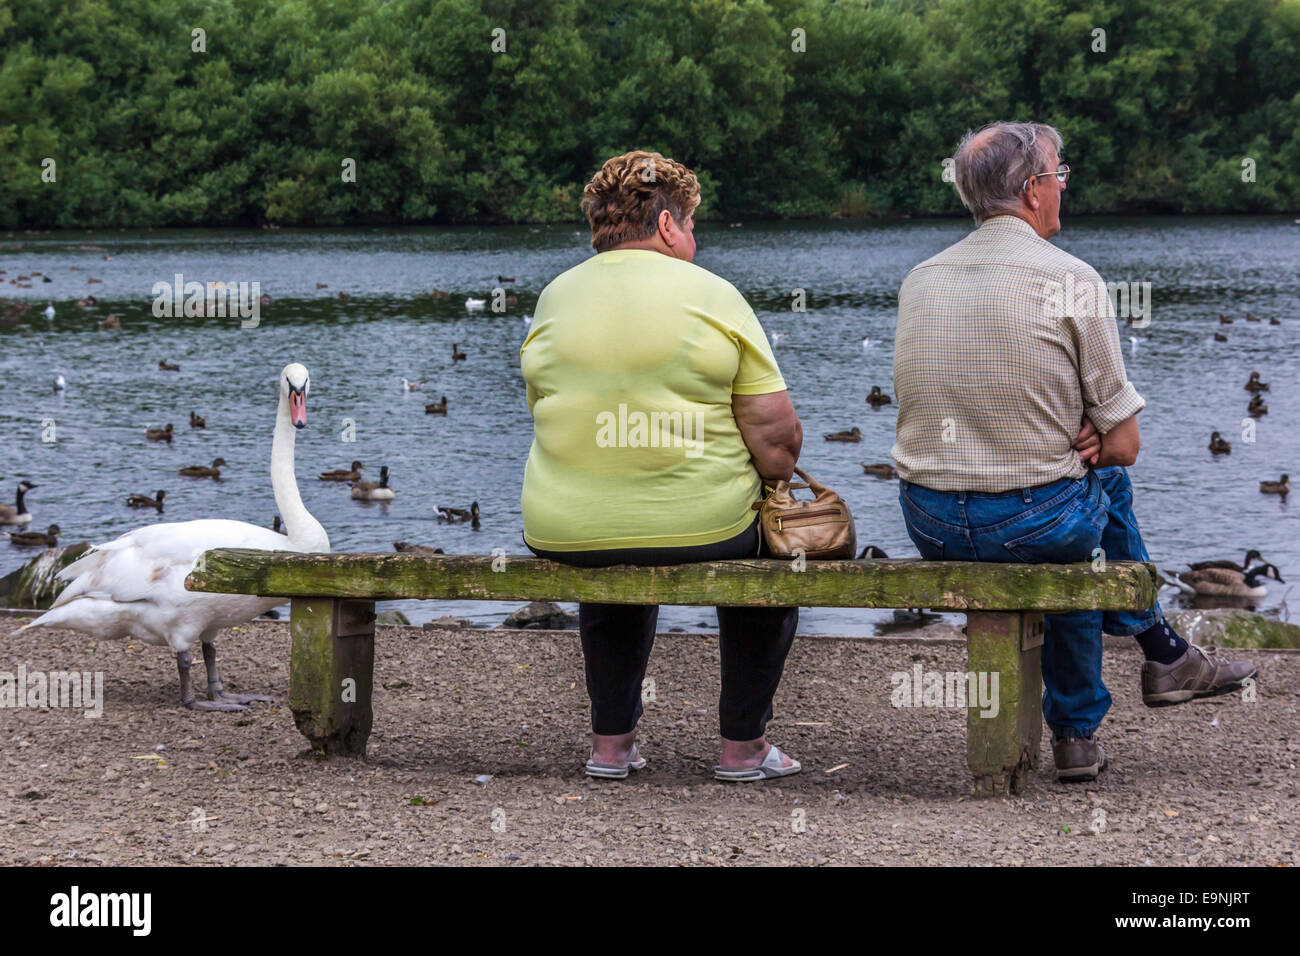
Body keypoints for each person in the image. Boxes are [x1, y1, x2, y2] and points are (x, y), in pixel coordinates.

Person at [891, 121, 1257, 783]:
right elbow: (1125, 446)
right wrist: (1082, 439)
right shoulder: (1072, 280)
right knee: (1092, 508)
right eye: (1060, 175)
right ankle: (1133, 679)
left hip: (929, 520)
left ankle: (1121, 698)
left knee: (1074, 521)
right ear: (1033, 191)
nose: (1063, 187)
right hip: (1027, 520)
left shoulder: (920, 279)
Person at [520, 150, 803, 782]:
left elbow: (543, 410)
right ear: (670, 225)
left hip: (565, 527)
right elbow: (778, 442)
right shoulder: (714, 295)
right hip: (703, 525)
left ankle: (611, 747)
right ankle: (742, 748)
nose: (695, 242)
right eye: (693, 227)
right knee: (765, 551)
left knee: (614, 531)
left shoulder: (553, 298)